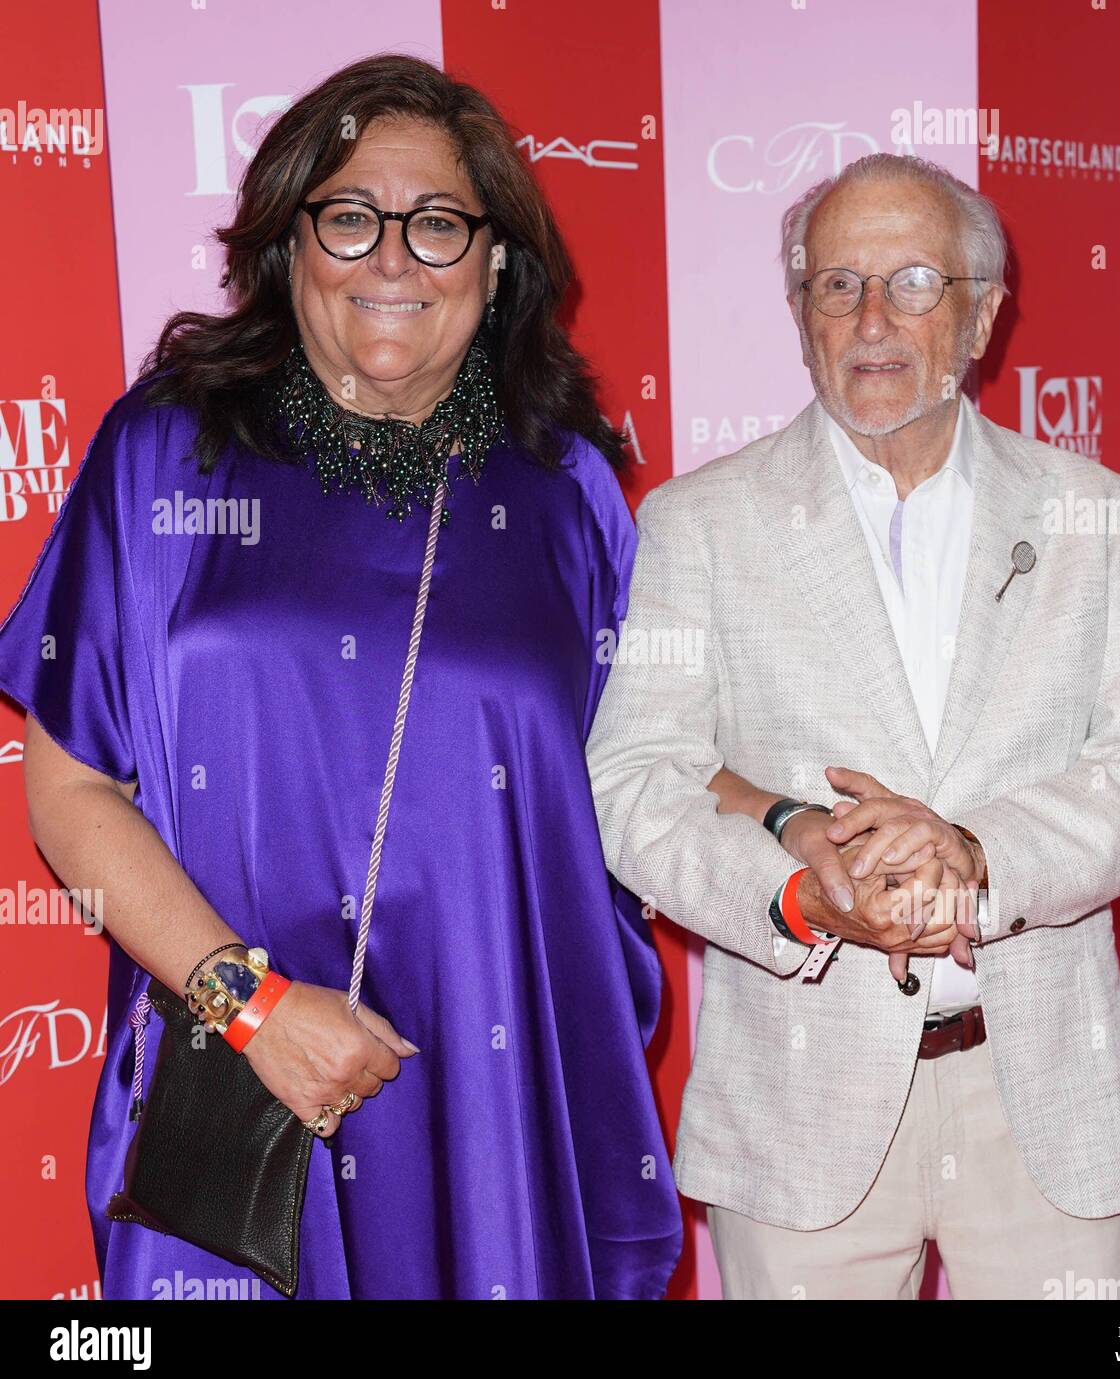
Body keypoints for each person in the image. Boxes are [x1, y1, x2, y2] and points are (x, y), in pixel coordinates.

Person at [0, 53, 681, 1300]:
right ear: (288, 244)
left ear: (497, 262)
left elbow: (646, 784)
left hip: (494, 1098)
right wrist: (252, 1007)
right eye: (350, 216)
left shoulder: (567, 488)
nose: (392, 261)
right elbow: (71, 790)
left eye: (437, 225)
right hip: (239, 1079)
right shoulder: (167, 452)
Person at [586, 153, 1120, 1299]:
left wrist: (979, 857)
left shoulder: (1093, 514)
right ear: (799, 315)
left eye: (915, 282)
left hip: (1045, 1110)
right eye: (837, 286)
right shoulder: (696, 524)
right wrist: (793, 895)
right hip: (795, 1103)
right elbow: (637, 780)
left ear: (977, 316)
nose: (872, 319)